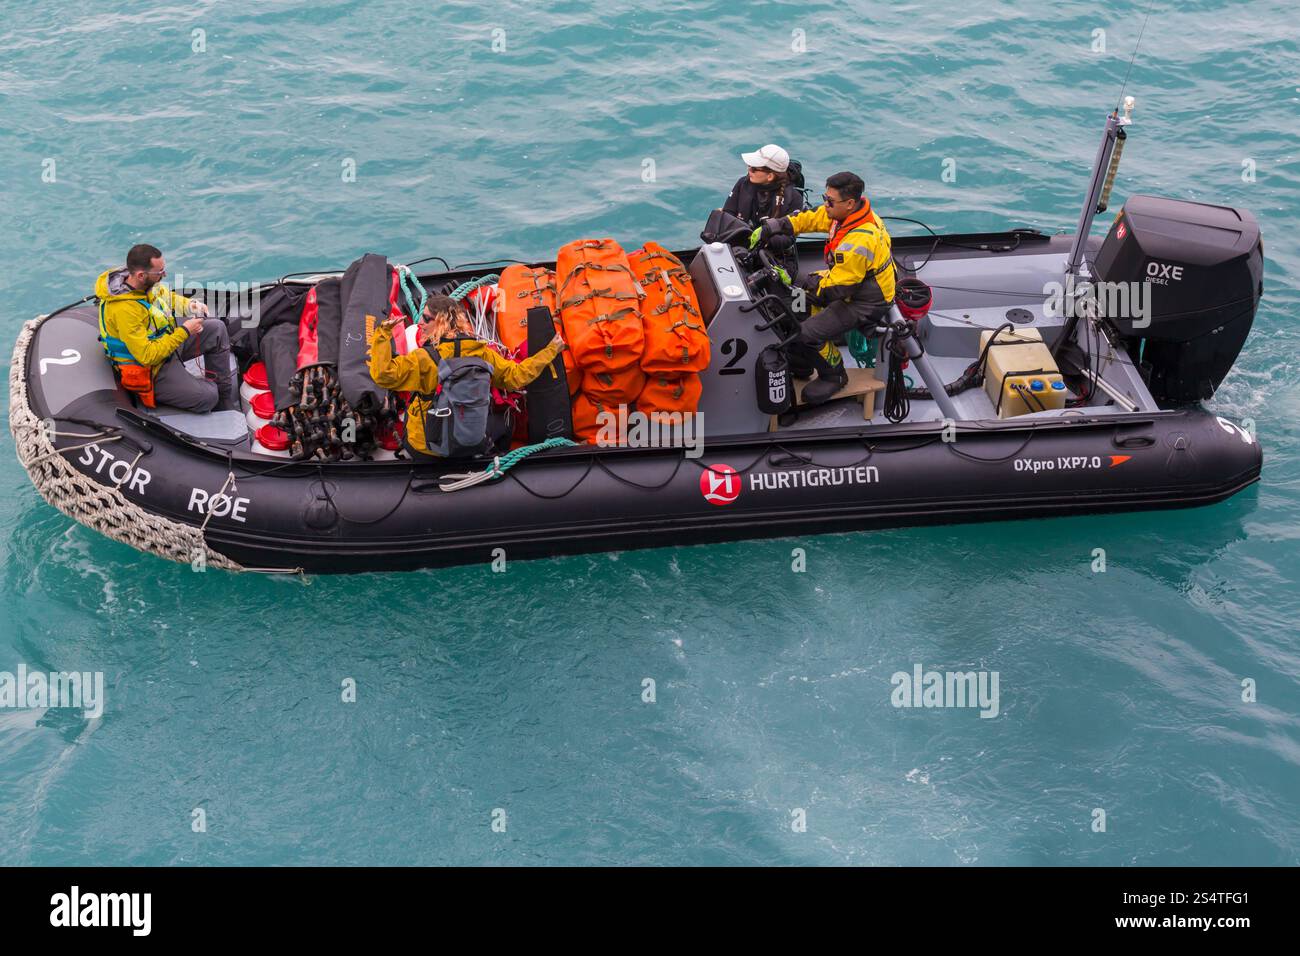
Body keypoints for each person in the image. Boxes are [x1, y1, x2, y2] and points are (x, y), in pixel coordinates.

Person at [754, 171, 896, 405]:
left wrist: (810, 288)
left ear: (849, 203)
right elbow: (813, 218)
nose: (825, 205)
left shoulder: (860, 240)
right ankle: (802, 362)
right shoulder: (844, 215)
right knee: (794, 302)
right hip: (850, 282)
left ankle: (835, 374)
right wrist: (778, 225)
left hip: (866, 300)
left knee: (808, 332)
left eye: (830, 201)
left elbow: (839, 289)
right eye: (825, 198)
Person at [369, 295, 565, 457]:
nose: (420, 323)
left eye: (426, 318)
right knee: (505, 422)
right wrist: (550, 351)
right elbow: (517, 376)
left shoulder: (423, 359)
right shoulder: (481, 352)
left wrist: (383, 333)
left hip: (426, 448)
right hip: (470, 443)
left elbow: (383, 375)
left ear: (442, 322)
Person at [94, 243, 237, 412]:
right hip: (151, 369)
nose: (164, 274)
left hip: (167, 346)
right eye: (160, 272)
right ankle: (199, 391)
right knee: (208, 397)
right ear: (141, 275)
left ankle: (223, 397)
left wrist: (190, 305)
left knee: (217, 329)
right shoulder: (124, 310)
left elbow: (167, 296)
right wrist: (185, 331)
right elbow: (147, 356)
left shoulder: (145, 285)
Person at [721, 143, 806, 228]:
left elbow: (789, 233)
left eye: (754, 169)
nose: (749, 170)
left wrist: (765, 232)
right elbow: (727, 214)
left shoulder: (794, 198)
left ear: (770, 176)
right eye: (749, 165)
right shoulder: (743, 183)